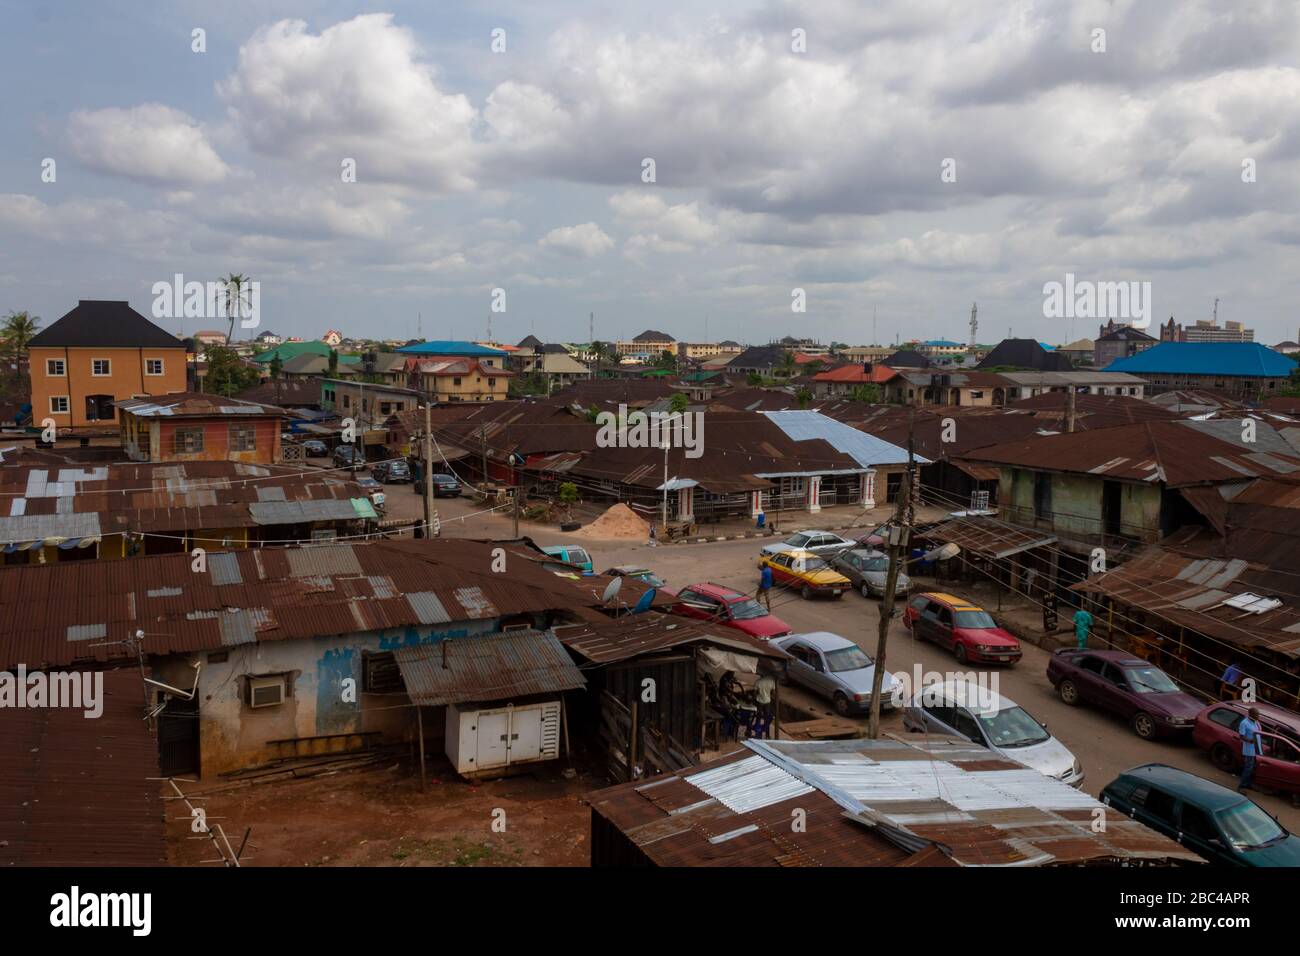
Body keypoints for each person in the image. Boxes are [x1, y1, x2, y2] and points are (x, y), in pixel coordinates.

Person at [1238, 706, 1263, 792]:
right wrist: (1250, 740)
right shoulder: (1244, 723)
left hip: (1257, 749)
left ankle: (1248, 784)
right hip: (1249, 750)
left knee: (1253, 768)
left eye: (1258, 714)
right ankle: (1241, 786)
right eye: (1256, 714)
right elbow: (1241, 736)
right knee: (1248, 768)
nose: (1258, 716)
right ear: (1251, 714)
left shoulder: (1256, 722)